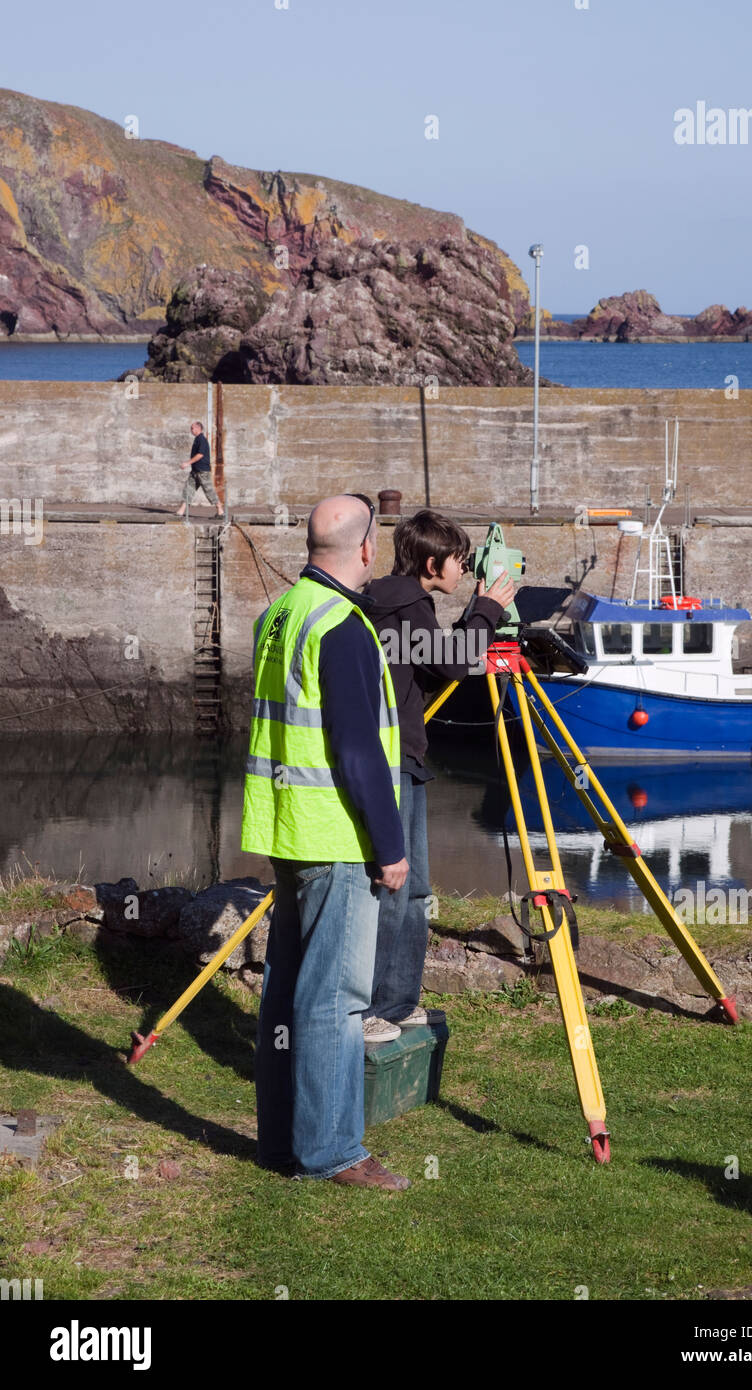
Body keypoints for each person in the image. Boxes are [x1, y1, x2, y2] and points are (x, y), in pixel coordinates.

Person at [241, 493, 412, 1191]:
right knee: (335, 999)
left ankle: (284, 1141)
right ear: (366, 548)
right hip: (336, 836)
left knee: (287, 992)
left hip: (286, 827)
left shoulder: (279, 613)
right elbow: (356, 747)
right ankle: (334, 1150)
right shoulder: (341, 625)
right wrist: (391, 843)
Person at [362, 509, 515, 1042]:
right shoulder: (405, 602)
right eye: (460, 561)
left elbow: (424, 659)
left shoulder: (390, 600)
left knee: (416, 890)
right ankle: (375, 1009)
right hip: (392, 758)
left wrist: (475, 614)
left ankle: (399, 1002)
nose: (464, 568)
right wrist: (490, 609)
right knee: (396, 889)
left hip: (400, 756)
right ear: (433, 564)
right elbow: (451, 663)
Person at [176, 421, 224, 520]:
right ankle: (181, 511)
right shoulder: (197, 439)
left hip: (203, 471)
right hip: (195, 471)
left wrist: (187, 463)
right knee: (188, 489)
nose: (191, 430)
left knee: (209, 491)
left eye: (192, 428)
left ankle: (220, 511)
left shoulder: (201, 439)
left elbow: (200, 454)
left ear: (198, 428)